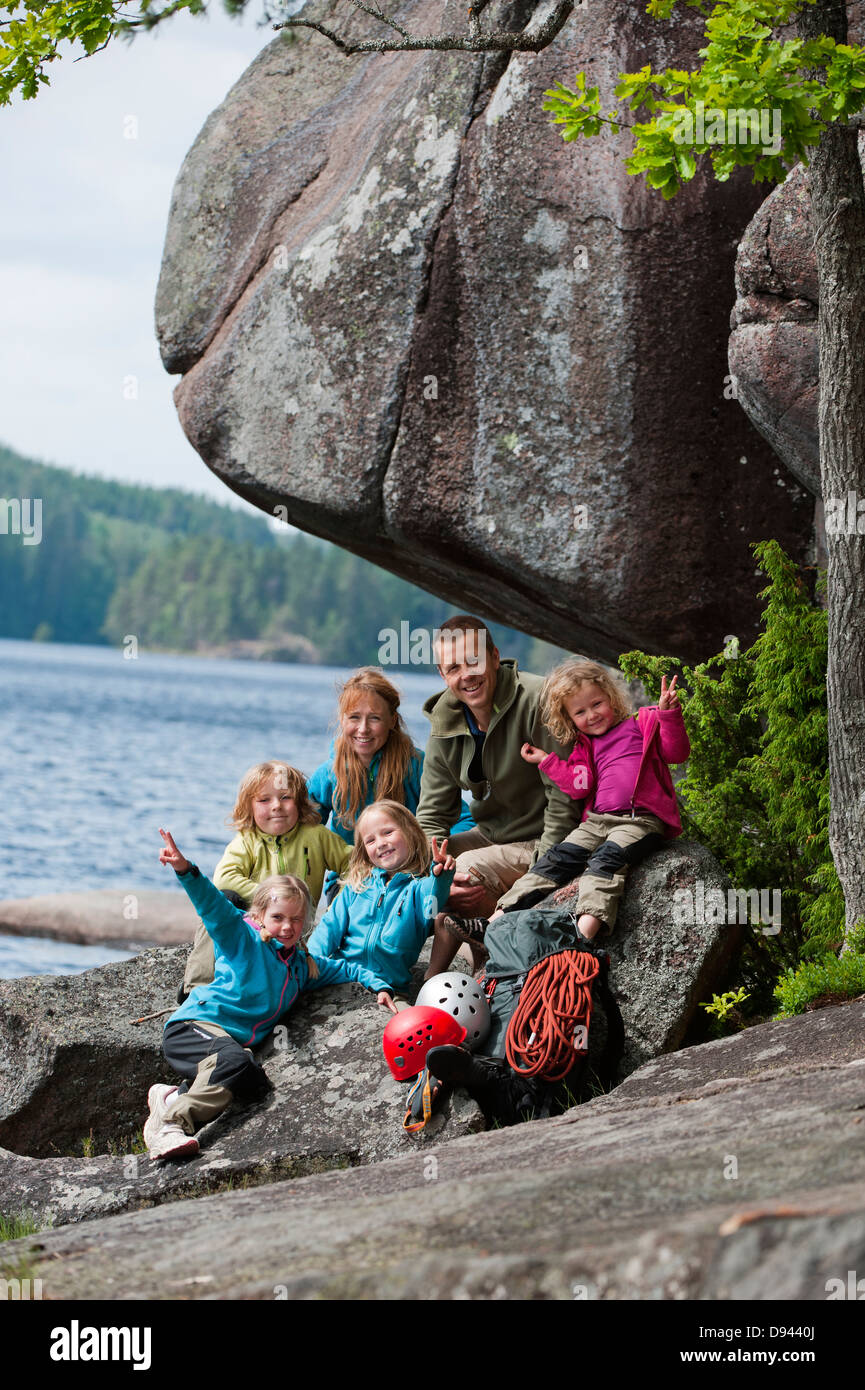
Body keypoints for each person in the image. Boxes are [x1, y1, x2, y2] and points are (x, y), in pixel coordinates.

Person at [145, 830, 390, 1162]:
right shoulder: (242, 939)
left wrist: (381, 986)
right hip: (193, 1027)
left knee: (253, 1082)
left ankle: (173, 1097)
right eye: (278, 918)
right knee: (234, 1060)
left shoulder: (302, 966)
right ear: (259, 916)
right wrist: (186, 870)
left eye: (296, 919)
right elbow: (213, 906)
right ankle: (170, 1125)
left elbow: (347, 969)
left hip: (227, 1045)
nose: (287, 927)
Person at [414, 616, 581, 975]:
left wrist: (546, 865)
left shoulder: (538, 699)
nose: (466, 675)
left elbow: (565, 797)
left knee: (470, 871)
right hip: (492, 833)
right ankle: (460, 957)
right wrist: (436, 877)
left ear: (494, 656)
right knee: (408, 860)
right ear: (443, 675)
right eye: (453, 667)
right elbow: (431, 816)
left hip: (546, 838)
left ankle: (453, 973)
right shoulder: (445, 722)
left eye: (473, 661)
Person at [494, 659, 690, 938]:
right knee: (556, 859)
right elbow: (580, 786)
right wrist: (546, 761)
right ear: (569, 719)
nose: (592, 715)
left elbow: (676, 753)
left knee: (606, 860)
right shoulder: (585, 746)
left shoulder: (642, 723)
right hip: (597, 822)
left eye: (597, 704)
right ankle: (496, 919)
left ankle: (583, 934)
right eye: (581, 712)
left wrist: (668, 714)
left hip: (639, 821)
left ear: (611, 697)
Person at [181, 760, 351, 995]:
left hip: (297, 928)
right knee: (222, 901)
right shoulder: (247, 839)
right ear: (249, 807)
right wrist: (271, 897)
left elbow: (353, 864)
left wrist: (342, 900)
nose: (276, 806)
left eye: (285, 797)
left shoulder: (316, 835)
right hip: (256, 927)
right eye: (264, 800)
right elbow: (224, 878)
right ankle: (197, 986)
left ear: (300, 802)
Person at [307, 800, 455, 1008]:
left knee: (409, 1025)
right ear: (363, 850)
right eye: (370, 840)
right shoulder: (356, 886)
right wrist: (309, 961)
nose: (380, 843)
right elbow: (329, 928)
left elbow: (434, 896)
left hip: (391, 988)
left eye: (387, 833)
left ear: (411, 833)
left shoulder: (418, 889)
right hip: (343, 976)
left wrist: (442, 875)